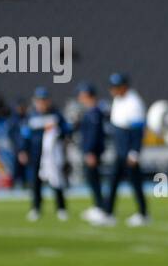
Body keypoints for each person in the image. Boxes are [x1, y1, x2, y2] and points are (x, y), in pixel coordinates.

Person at [95, 72, 148, 227]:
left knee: (135, 182)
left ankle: (143, 213)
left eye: (116, 87)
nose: (113, 90)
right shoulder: (118, 101)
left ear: (124, 87)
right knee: (113, 181)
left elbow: (137, 131)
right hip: (120, 147)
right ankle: (108, 212)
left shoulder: (134, 103)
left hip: (129, 149)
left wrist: (134, 152)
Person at [18, 86, 69, 221]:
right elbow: (25, 135)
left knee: (56, 181)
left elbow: (66, 130)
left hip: (52, 154)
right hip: (36, 154)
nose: (42, 103)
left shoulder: (55, 115)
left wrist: (58, 132)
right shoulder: (31, 116)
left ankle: (61, 208)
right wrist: (23, 150)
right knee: (35, 183)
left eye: (44, 100)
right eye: (40, 100)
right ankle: (36, 208)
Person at [75, 83, 107, 224]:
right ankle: (98, 206)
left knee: (95, 180)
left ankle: (100, 207)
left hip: (92, 153)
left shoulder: (95, 112)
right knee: (92, 180)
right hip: (90, 152)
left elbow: (94, 135)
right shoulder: (90, 112)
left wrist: (90, 152)